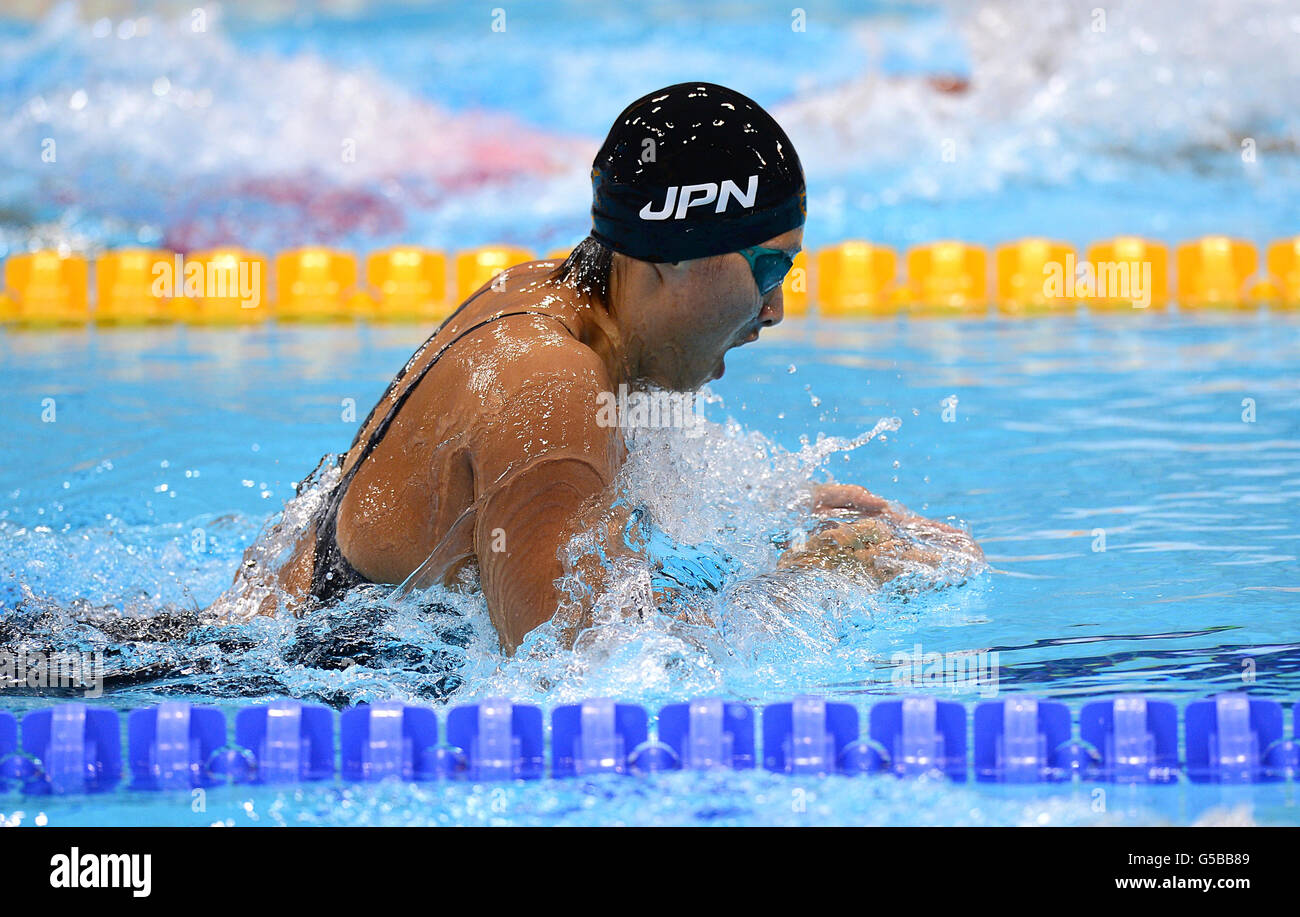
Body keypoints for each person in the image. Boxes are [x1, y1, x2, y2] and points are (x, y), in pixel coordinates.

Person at [215, 81, 980, 653]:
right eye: (768, 269)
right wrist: (828, 583)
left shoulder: (551, 299)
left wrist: (798, 511)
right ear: (674, 259)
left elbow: (628, 503)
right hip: (296, 692)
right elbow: (574, 677)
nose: (774, 310)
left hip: (282, 644)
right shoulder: (551, 387)